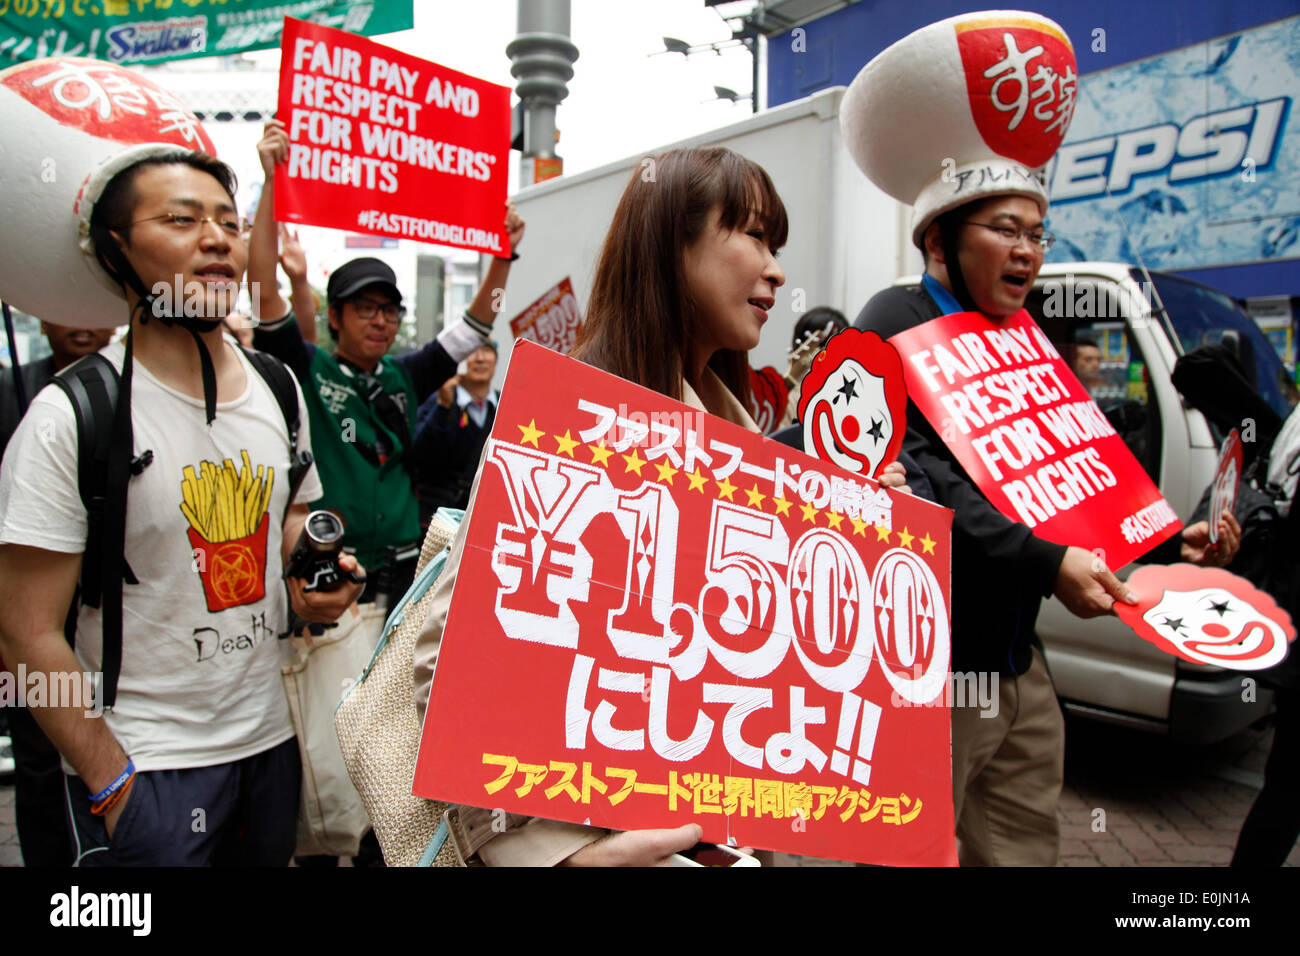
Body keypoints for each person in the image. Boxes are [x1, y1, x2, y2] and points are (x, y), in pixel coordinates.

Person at [411, 146, 912, 865]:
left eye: (779, 245)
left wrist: (855, 550)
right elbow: (448, 665)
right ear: (669, 246)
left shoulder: (742, 444)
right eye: (754, 236)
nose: (776, 268)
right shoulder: (573, 422)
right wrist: (554, 857)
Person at [0, 148, 361, 866]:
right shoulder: (70, 415)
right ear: (115, 250)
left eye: (228, 221)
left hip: (269, 746)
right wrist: (112, 783)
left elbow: (292, 514)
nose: (216, 238)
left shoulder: (278, 388)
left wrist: (313, 579)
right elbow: (21, 634)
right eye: (181, 219)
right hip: (145, 769)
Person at [249, 119, 523, 600]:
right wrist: (272, 180)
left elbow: (479, 326)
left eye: (390, 310)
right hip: (332, 570)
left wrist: (503, 256)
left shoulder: (407, 373)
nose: (380, 321)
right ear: (334, 316)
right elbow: (262, 295)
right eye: (365, 309)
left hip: (406, 570)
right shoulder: (306, 369)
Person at [0, 319, 115, 866]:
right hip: (30, 617)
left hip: (110, 619)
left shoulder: (130, 392)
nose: (79, 325)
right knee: (39, 754)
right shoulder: (14, 392)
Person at [411, 340, 500, 522]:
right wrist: (443, 407)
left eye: (487, 351)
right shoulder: (439, 400)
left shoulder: (506, 405)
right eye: (472, 351)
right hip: (437, 522)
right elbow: (418, 455)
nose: (480, 359)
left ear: (496, 360)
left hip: (482, 519)